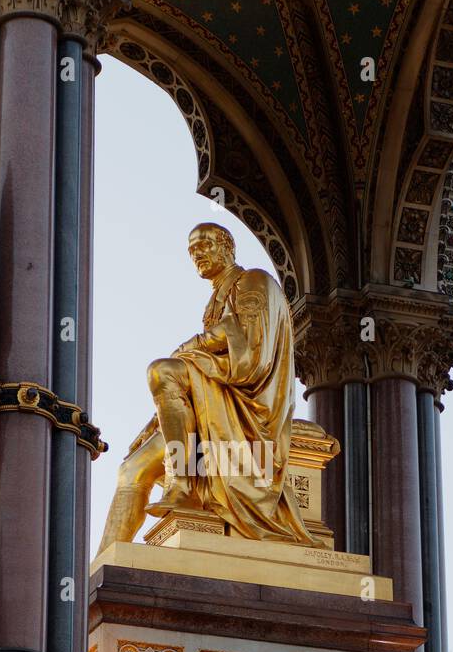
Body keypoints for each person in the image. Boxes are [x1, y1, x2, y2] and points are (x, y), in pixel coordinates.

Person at [98, 223, 313, 551]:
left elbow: (254, 359)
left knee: (162, 371)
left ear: (227, 247)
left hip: (247, 417)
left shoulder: (254, 282)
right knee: (131, 470)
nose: (197, 253)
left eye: (205, 245)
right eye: (191, 249)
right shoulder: (217, 299)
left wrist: (194, 347)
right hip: (210, 408)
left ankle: (182, 484)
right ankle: (94, 582)